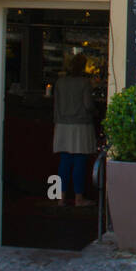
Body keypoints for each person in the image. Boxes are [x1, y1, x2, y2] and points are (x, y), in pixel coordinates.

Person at [53, 53, 97, 207]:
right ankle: (79, 198)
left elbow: (56, 105)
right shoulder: (85, 83)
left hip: (63, 125)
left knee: (64, 161)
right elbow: (88, 105)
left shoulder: (60, 82)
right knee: (80, 160)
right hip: (81, 125)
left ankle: (61, 197)